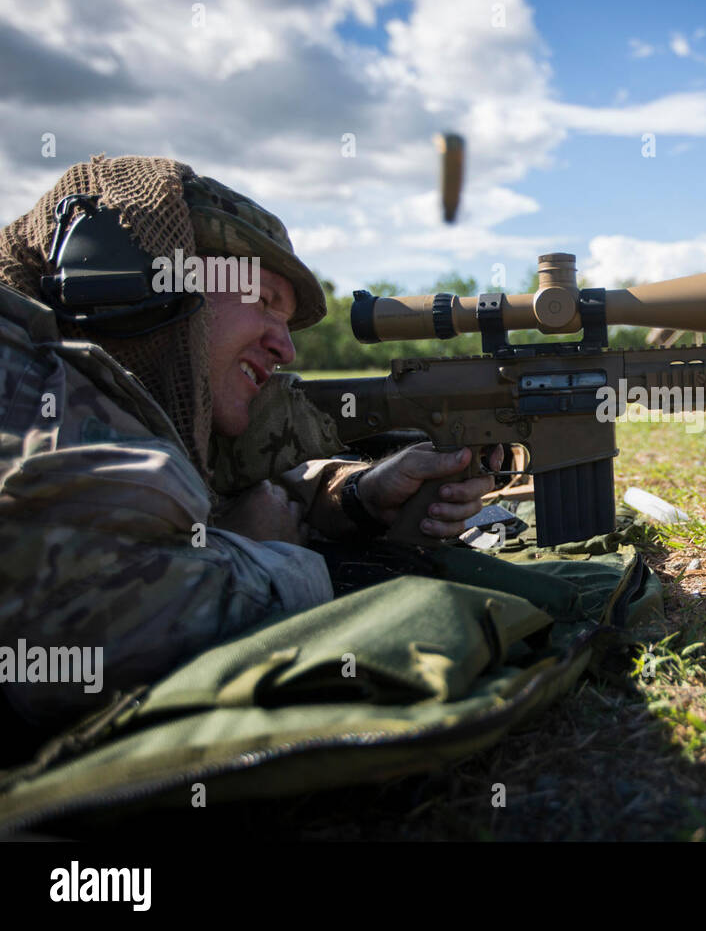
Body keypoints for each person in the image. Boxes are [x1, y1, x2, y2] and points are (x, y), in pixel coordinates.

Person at [0, 155, 501, 742]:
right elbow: (74, 626)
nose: (285, 348)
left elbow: (228, 484)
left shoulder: (130, 384)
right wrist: (259, 558)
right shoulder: (26, 373)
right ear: (136, 279)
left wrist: (354, 497)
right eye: (264, 301)